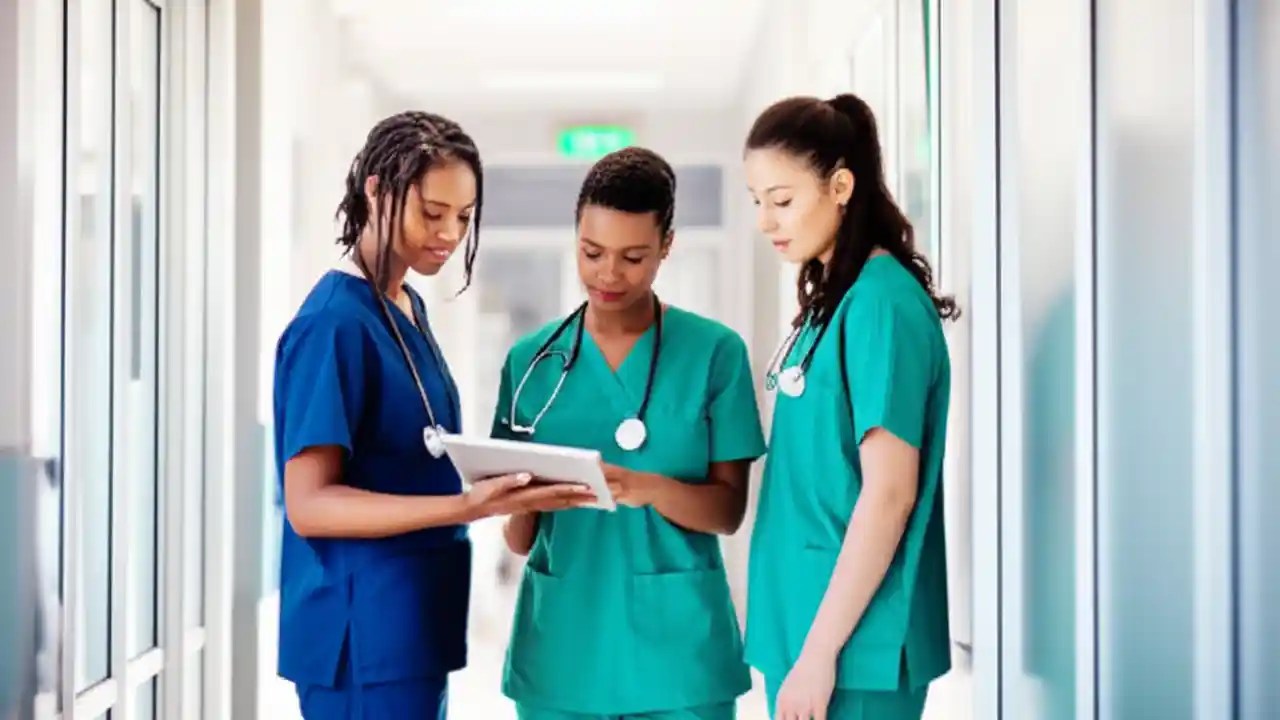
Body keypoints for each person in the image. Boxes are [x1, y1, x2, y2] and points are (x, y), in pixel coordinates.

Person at [272, 111, 595, 720]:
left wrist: (509, 482)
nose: (449, 233)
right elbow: (309, 504)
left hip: (411, 628)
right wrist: (467, 507)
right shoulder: (333, 326)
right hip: (362, 637)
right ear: (375, 190)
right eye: (432, 211)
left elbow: (415, 452)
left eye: (464, 217)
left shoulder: (405, 306)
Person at [491, 146, 767, 719]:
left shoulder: (714, 354)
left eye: (633, 256)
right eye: (591, 253)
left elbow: (727, 512)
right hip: (562, 653)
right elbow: (519, 540)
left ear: (667, 246)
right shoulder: (530, 362)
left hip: (679, 660)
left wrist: (648, 488)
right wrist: (521, 497)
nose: (609, 274)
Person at [741, 94, 960, 720]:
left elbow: (890, 493)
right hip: (807, 629)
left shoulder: (879, 304)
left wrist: (818, 655)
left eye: (782, 200)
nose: (766, 220)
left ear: (840, 185)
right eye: (757, 201)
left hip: (848, 647)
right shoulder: (832, 303)